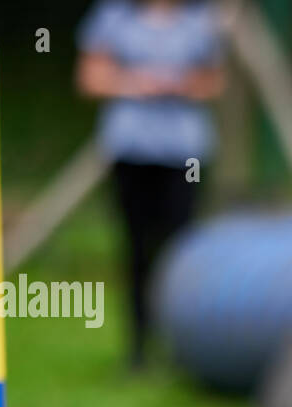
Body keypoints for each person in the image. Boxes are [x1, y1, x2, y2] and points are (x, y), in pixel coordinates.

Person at [76, 0, 226, 370]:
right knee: (137, 250)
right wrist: (135, 83)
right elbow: (89, 77)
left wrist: (180, 85)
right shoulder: (112, 17)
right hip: (132, 149)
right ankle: (139, 349)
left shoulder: (201, 20)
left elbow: (214, 81)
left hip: (184, 152)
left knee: (182, 252)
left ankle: (184, 348)